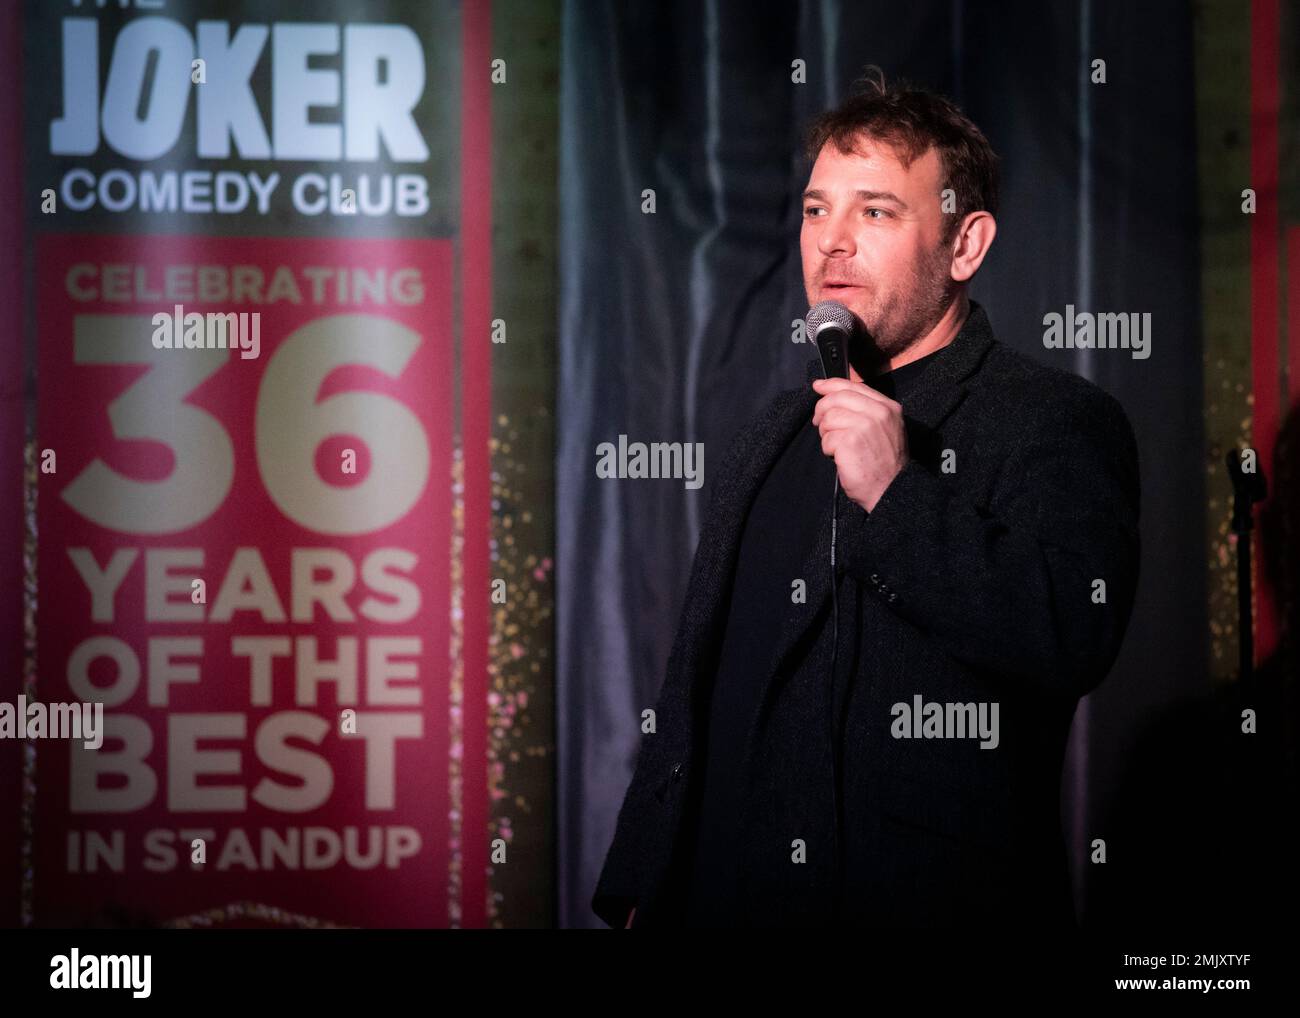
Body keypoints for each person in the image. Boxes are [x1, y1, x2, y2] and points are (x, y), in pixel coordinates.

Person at [593, 67, 1141, 930]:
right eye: (817, 210)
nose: (831, 243)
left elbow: (1073, 634)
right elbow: (701, 680)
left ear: (965, 245)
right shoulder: (777, 426)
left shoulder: (1054, 420)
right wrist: (639, 883)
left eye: (875, 211)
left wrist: (898, 494)